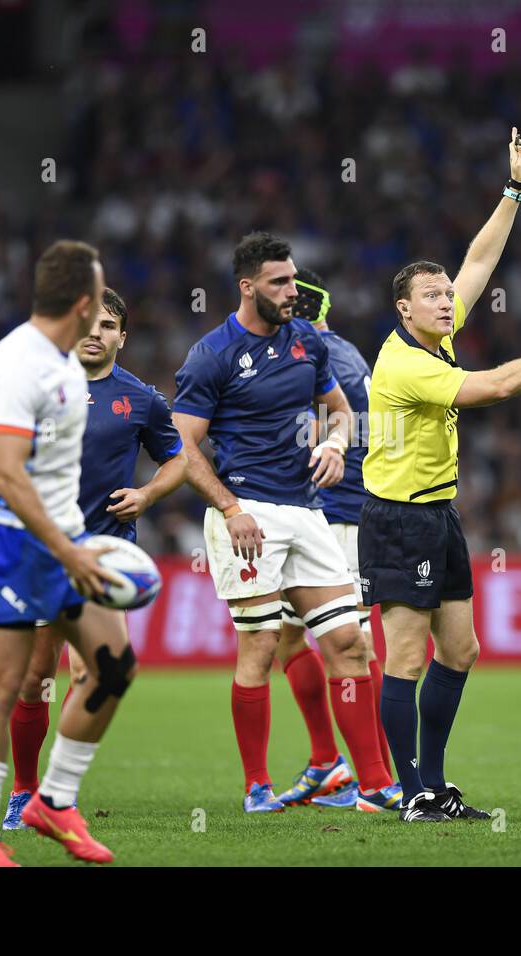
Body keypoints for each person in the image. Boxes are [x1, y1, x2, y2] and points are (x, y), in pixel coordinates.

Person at [362, 126, 521, 822]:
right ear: (403, 309)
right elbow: (501, 386)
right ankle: (412, 790)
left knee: (463, 648)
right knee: (408, 658)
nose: (449, 301)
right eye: (433, 296)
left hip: (437, 513)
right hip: (399, 519)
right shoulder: (406, 364)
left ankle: (434, 782)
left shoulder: (434, 334)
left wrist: (513, 190)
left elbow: (478, 261)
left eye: (447, 295)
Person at [172, 233, 400, 814]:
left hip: (307, 512)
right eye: (278, 282)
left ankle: (374, 785)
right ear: (248, 286)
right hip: (248, 513)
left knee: (348, 642)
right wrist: (230, 509)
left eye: (294, 279)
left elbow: (344, 413)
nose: (291, 291)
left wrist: (336, 445)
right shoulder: (212, 354)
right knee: (262, 644)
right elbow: (184, 448)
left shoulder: (307, 343)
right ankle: (256, 786)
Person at [0, 240, 136, 867]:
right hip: (8, 545)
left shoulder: (66, 362)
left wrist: (76, 545)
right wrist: (69, 549)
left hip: (65, 542)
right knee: (6, 685)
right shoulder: (17, 364)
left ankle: (52, 801)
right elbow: (7, 475)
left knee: (113, 666)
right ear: (84, 302)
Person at [2, 287, 186, 829]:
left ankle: (58, 794)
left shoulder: (142, 398)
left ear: (121, 338)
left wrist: (146, 495)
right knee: (34, 676)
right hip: (42, 550)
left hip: (105, 552)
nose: (97, 333)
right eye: (89, 324)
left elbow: (178, 459)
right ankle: (24, 790)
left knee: (97, 671)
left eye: (109, 326)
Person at [270, 270, 394, 809]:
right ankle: (329, 764)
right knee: (288, 638)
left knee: (354, 646)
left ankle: (382, 777)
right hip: (322, 514)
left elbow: (308, 436)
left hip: (337, 517)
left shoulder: (318, 354)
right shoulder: (336, 352)